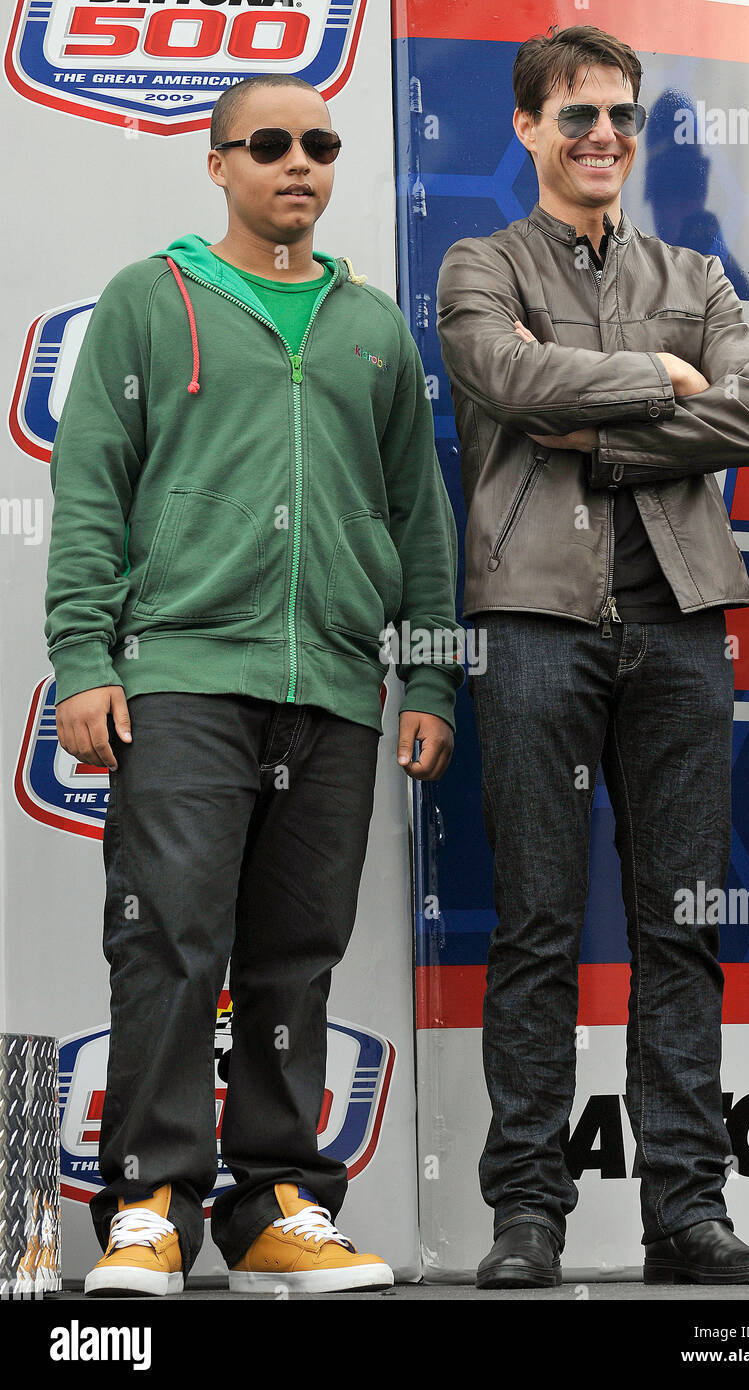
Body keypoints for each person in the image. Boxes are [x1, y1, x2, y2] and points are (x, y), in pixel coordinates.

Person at [44, 73, 462, 1296]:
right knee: (169, 939)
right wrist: (81, 657)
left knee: (295, 951)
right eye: (269, 142)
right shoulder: (148, 300)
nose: (299, 161)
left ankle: (278, 1197)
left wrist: (429, 680)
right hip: (179, 675)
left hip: (331, 685)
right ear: (218, 162)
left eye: (319, 143)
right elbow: (87, 491)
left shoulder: (373, 326)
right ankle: (150, 1206)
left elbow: (417, 521)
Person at [436, 24, 749, 1289]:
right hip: (533, 624)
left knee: (679, 929)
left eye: (622, 119)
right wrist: (652, 376)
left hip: (682, 628)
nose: (602, 139)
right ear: (527, 127)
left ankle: (685, 1219)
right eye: (576, 116)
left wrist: (591, 432)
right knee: (534, 926)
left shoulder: (694, 267)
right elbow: (498, 373)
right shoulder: (478, 262)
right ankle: (525, 1217)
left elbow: (745, 415)